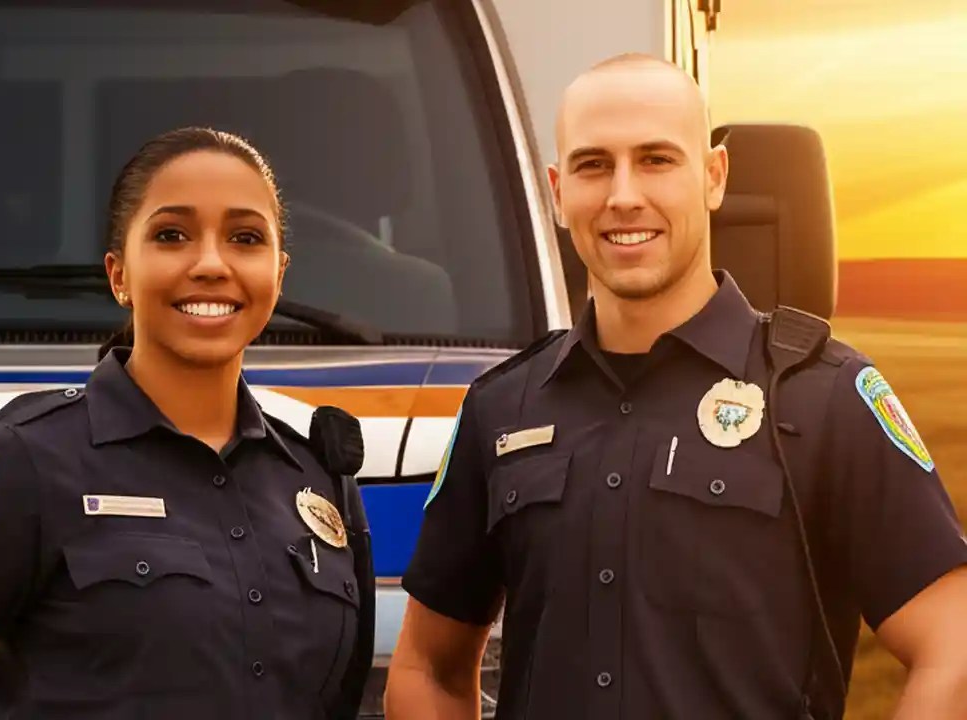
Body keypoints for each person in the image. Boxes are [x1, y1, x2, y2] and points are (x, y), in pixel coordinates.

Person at [384, 54, 967, 720]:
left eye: (657, 160)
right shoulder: (502, 408)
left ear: (713, 177)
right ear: (557, 191)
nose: (623, 195)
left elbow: (953, 645)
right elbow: (427, 666)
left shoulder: (823, 396)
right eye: (593, 165)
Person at [0, 127, 374, 719]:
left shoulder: (317, 478)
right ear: (119, 275)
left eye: (245, 238)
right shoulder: (28, 458)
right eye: (172, 235)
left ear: (279, 272)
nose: (212, 263)